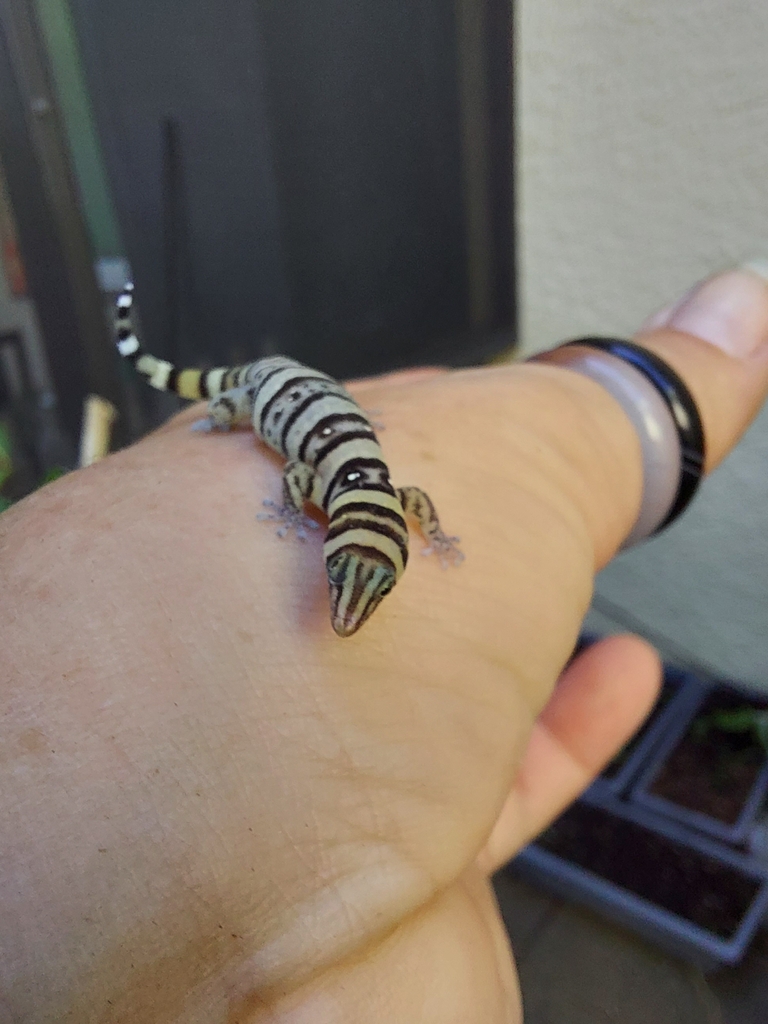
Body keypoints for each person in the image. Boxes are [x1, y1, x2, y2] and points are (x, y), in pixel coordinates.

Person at [1, 266, 767, 1022]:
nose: (348, 604)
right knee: (219, 410)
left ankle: (158, 347)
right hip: (269, 389)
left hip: (316, 397)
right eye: (343, 573)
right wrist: (251, 450)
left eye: (370, 581)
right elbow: (300, 470)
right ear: (332, 531)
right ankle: (152, 348)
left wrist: (434, 533)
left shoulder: (382, 500)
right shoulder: (321, 486)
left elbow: (413, 499)